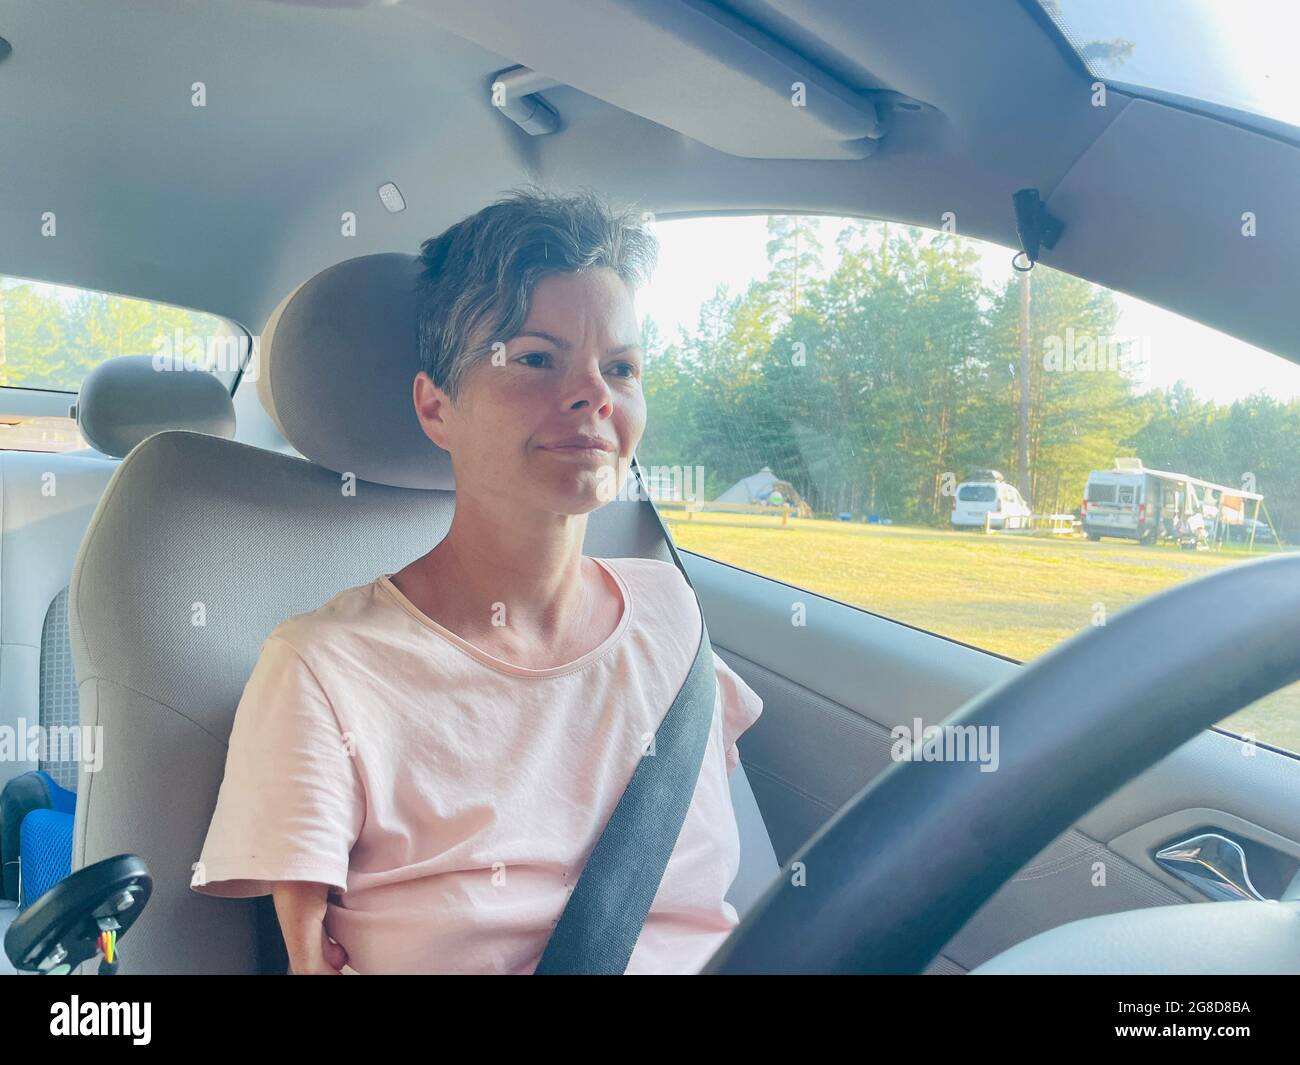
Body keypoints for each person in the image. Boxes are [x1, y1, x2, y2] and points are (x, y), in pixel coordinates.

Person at [189, 187, 765, 975]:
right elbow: (308, 961)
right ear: (435, 407)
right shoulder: (322, 669)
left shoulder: (673, 615)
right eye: (535, 358)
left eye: (622, 367)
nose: (594, 393)